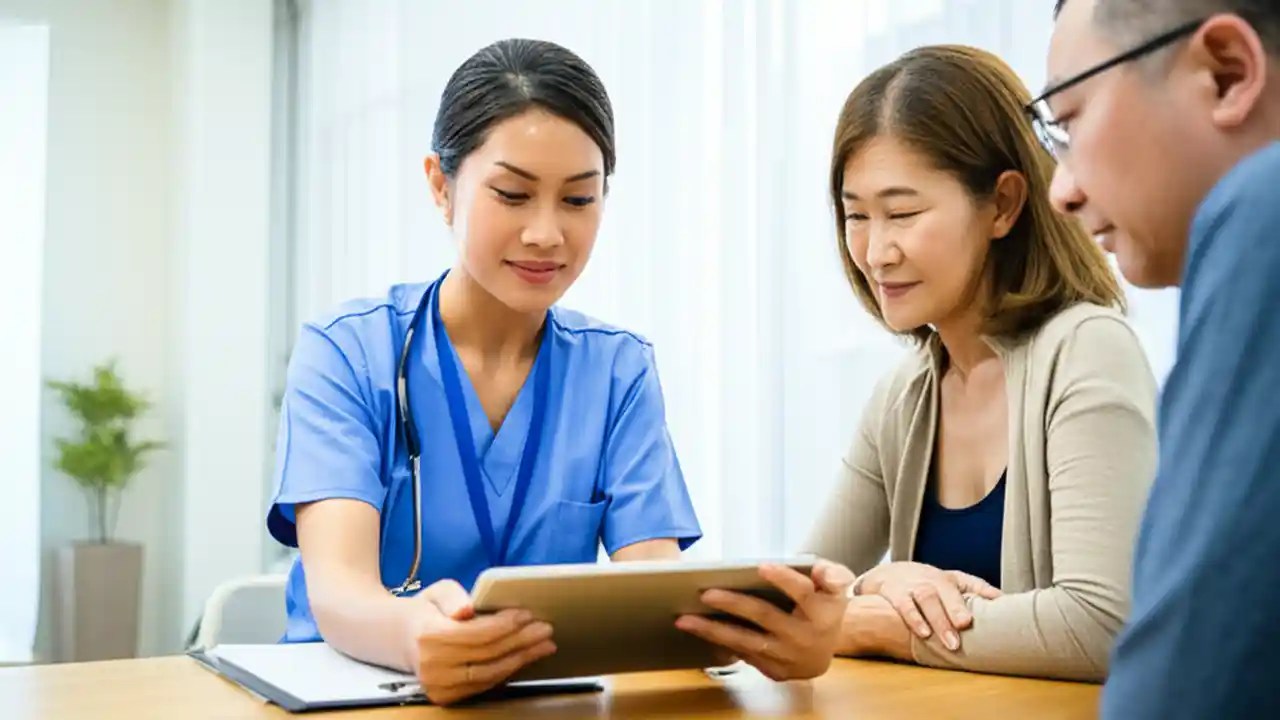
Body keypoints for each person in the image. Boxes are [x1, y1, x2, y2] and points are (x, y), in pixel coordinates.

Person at [265, 39, 705, 706]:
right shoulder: (348, 354)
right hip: (354, 699)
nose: (546, 233)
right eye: (512, 194)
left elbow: (653, 587)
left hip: (540, 703)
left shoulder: (617, 372)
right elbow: (340, 592)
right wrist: (416, 637)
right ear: (441, 186)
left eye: (579, 200)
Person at [802, 44, 1159, 682]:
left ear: (1003, 205)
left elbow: (1104, 624)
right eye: (856, 215)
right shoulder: (905, 394)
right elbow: (797, 596)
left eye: (902, 213)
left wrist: (879, 622)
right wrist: (878, 587)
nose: (876, 251)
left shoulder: (1087, 350)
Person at [1041, 1, 1280, 715]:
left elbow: (1185, 689)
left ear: (1226, 73)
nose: (1064, 190)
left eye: (1071, 118)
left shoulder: (1263, 212)